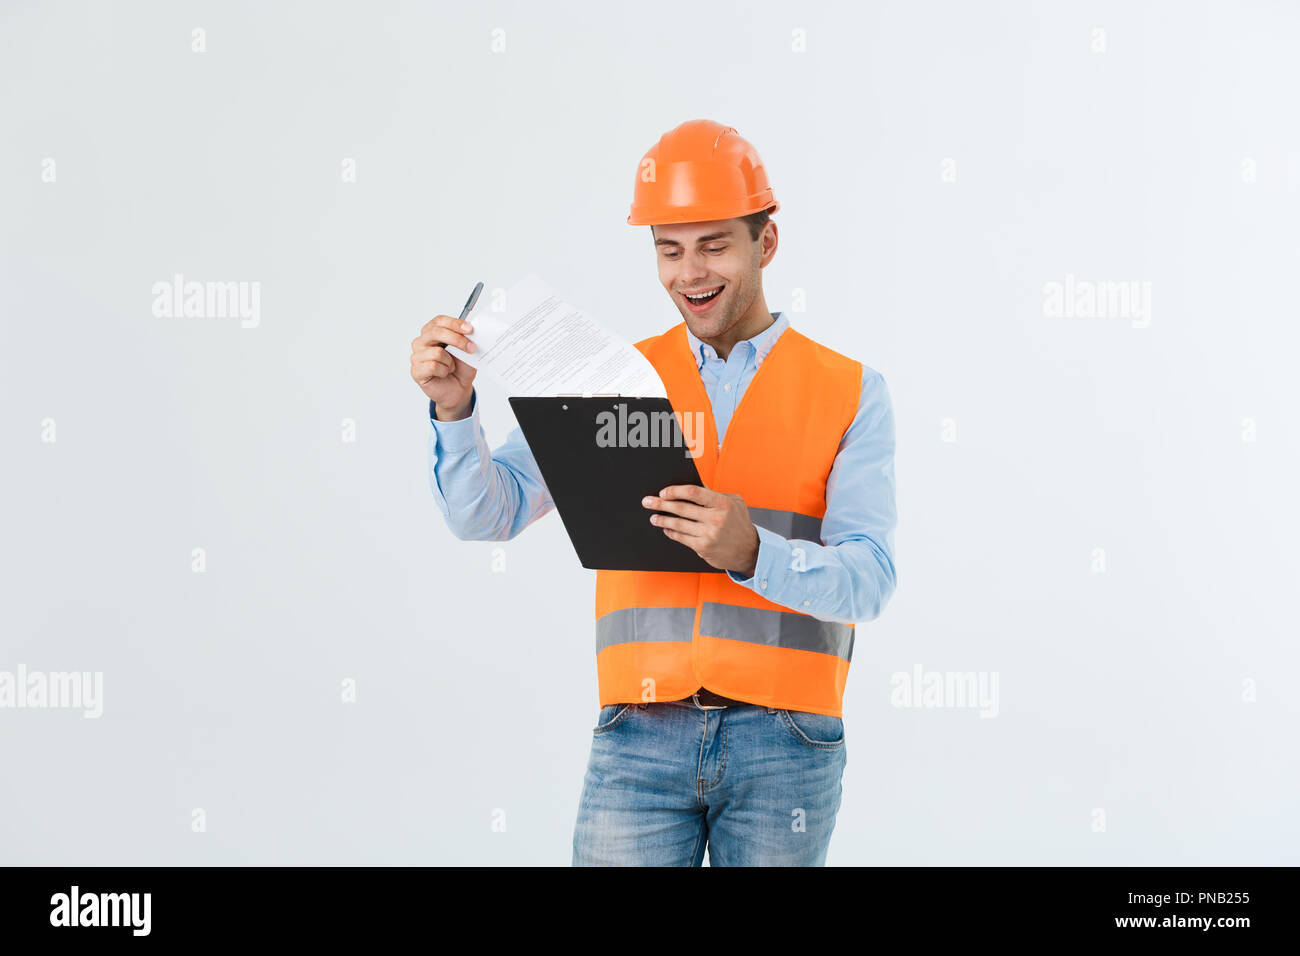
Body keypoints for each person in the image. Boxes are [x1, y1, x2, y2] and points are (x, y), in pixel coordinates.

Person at [409, 119, 898, 866]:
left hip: (788, 743)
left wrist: (753, 552)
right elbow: (488, 513)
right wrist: (454, 410)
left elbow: (870, 580)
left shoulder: (850, 391)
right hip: (636, 740)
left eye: (713, 245)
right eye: (668, 250)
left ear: (765, 244)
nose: (689, 273)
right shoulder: (608, 378)